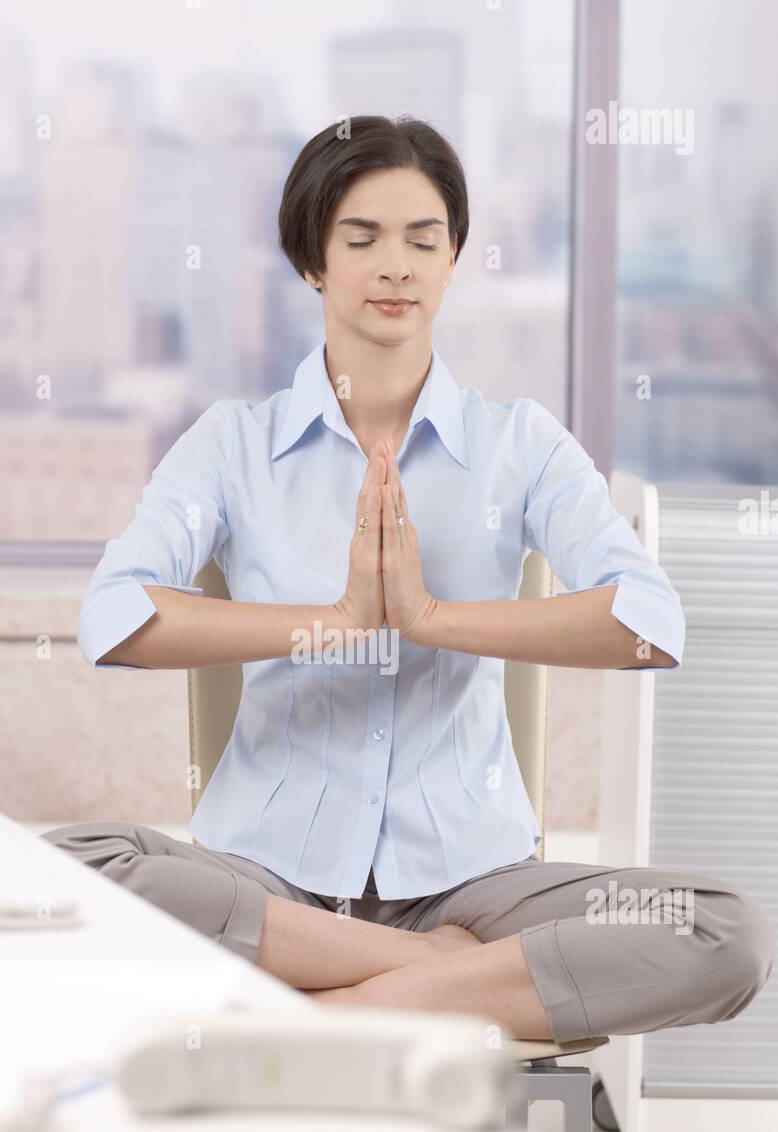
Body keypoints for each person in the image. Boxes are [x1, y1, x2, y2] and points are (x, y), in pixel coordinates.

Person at [43, 115, 773, 1043]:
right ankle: (435, 984)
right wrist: (336, 619)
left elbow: (651, 623)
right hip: (272, 888)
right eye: (363, 239)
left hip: (474, 886)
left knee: (721, 933)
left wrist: (430, 618)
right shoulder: (233, 443)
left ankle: (309, 1021)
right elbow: (111, 618)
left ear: (453, 259)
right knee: (71, 866)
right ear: (312, 261)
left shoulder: (521, 444)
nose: (397, 265)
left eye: (424, 240)